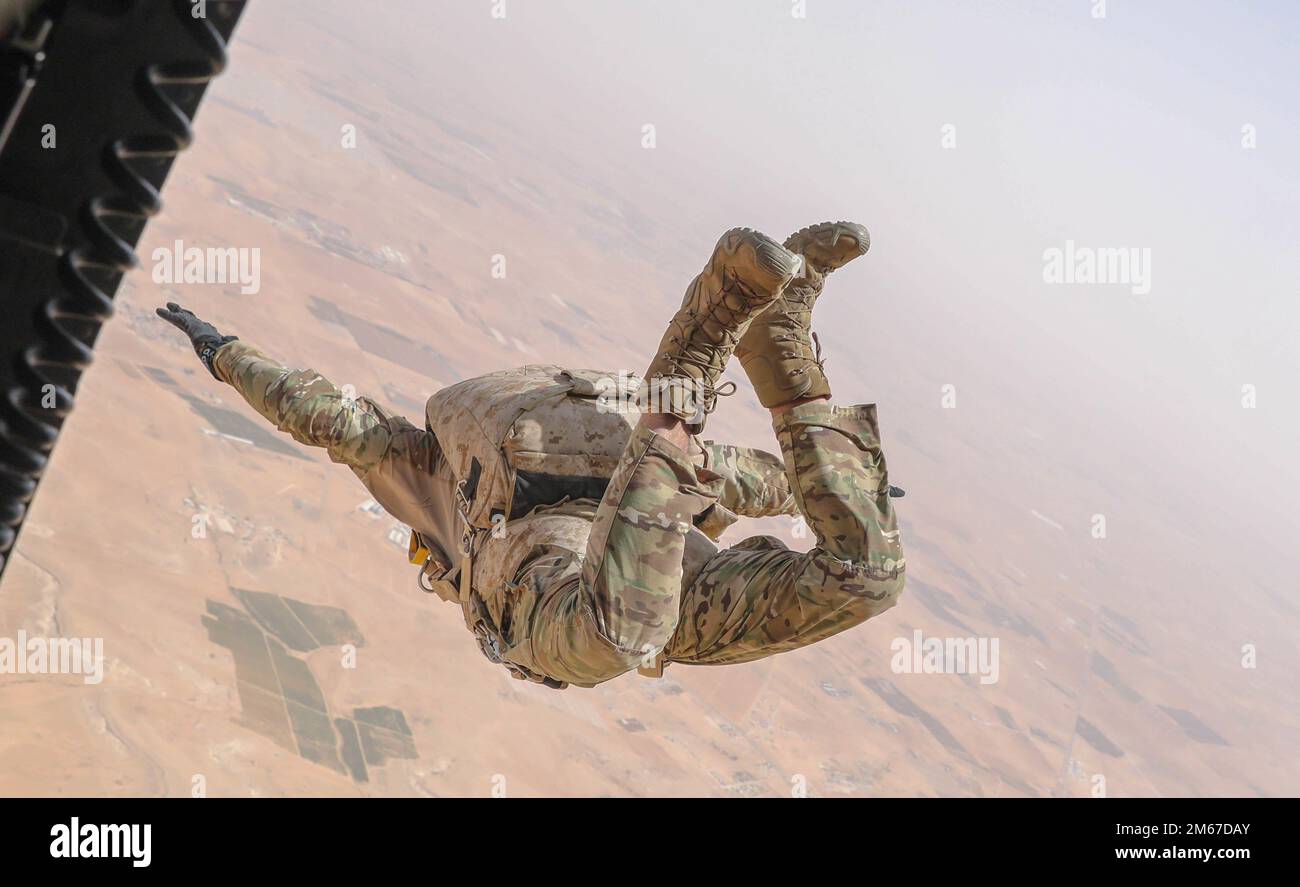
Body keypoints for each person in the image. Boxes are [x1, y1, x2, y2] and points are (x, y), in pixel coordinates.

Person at [158, 222, 905, 689]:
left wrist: (223, 354)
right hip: (646, 589)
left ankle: (702, 349)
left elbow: (323, 417)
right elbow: (323, 416)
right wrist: (223, 354)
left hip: (584, 604)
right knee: (866, 576)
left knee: (637, 629)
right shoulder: (435, 475)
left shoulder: (430, 482)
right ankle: (780, 356)